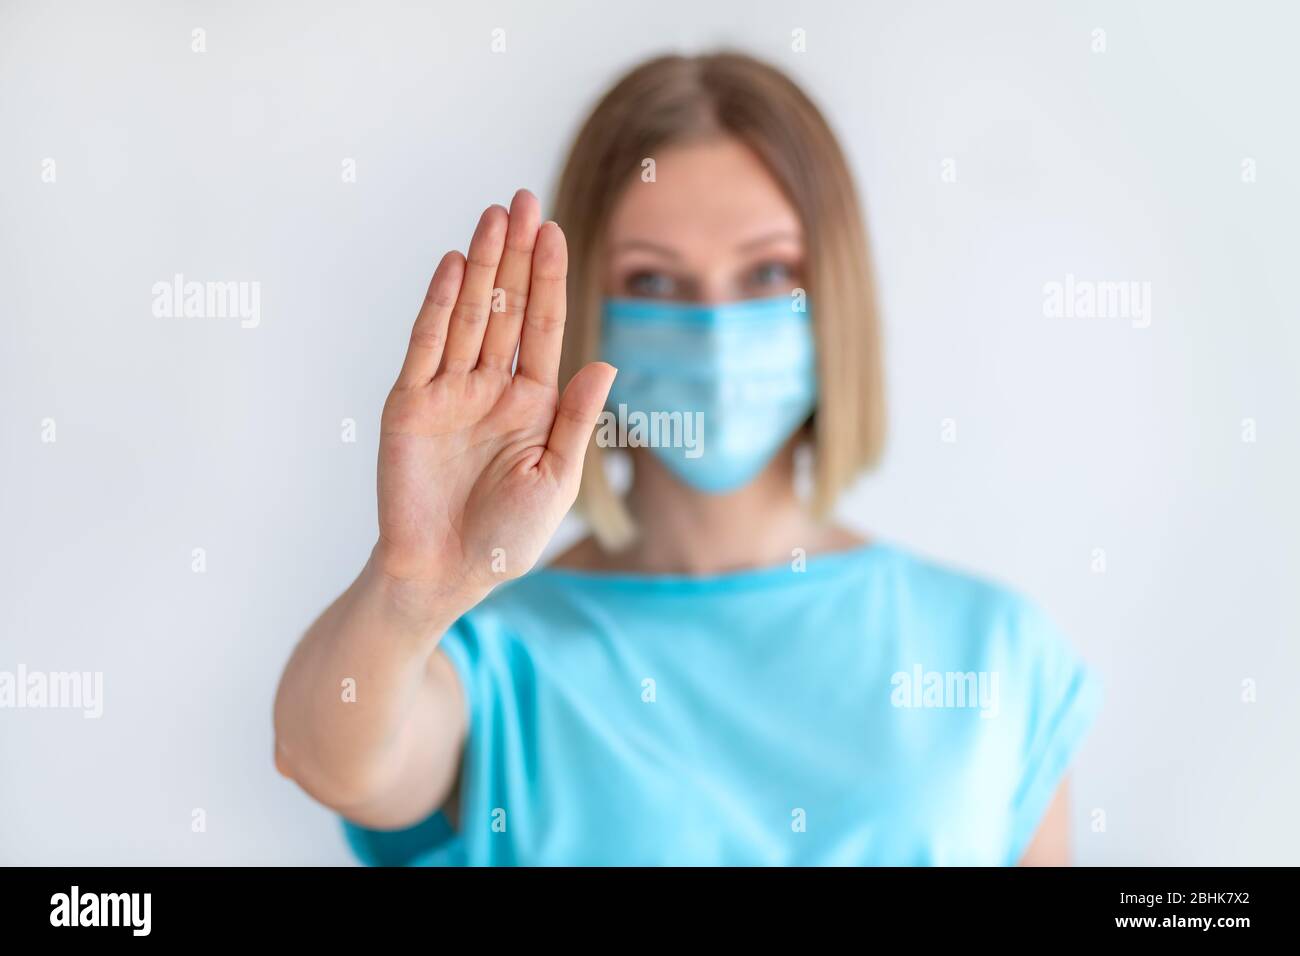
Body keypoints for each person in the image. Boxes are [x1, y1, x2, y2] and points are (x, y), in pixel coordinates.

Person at [273, 51, 1102, 866]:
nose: (716, 327)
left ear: (834, 294)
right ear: (582, 307)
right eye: (655, 283)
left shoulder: (994, 654)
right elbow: (326, 759)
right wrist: (415, 584)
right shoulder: (490, 664)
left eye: (769, 272)